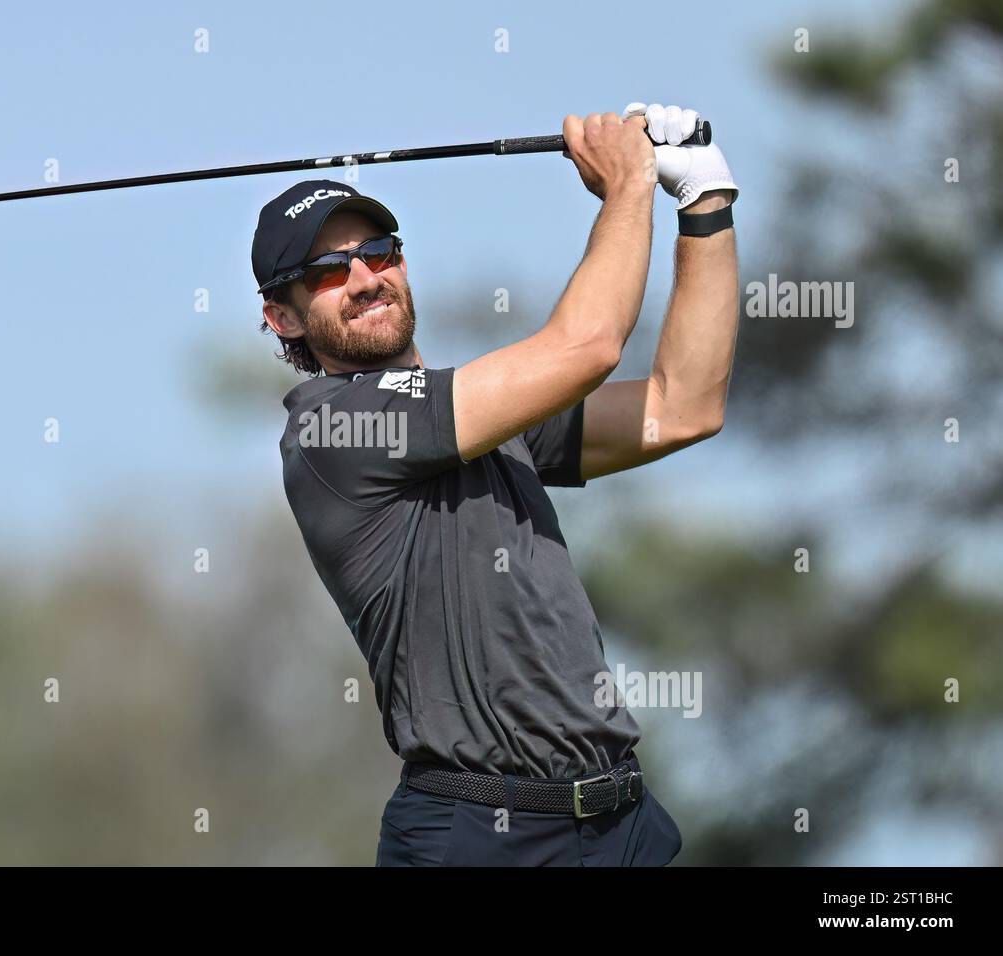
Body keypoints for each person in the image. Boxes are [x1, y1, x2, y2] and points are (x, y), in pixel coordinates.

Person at [250, 103, 739, 866]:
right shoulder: (331, 429)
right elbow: (588, 346)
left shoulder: (480, 415)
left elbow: (684, 406)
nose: (363, 278)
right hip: (480, 834)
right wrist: (628, 184)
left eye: (378, 252)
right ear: (283, 317)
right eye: (325, 272)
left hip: (621, 824)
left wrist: (705, 202)